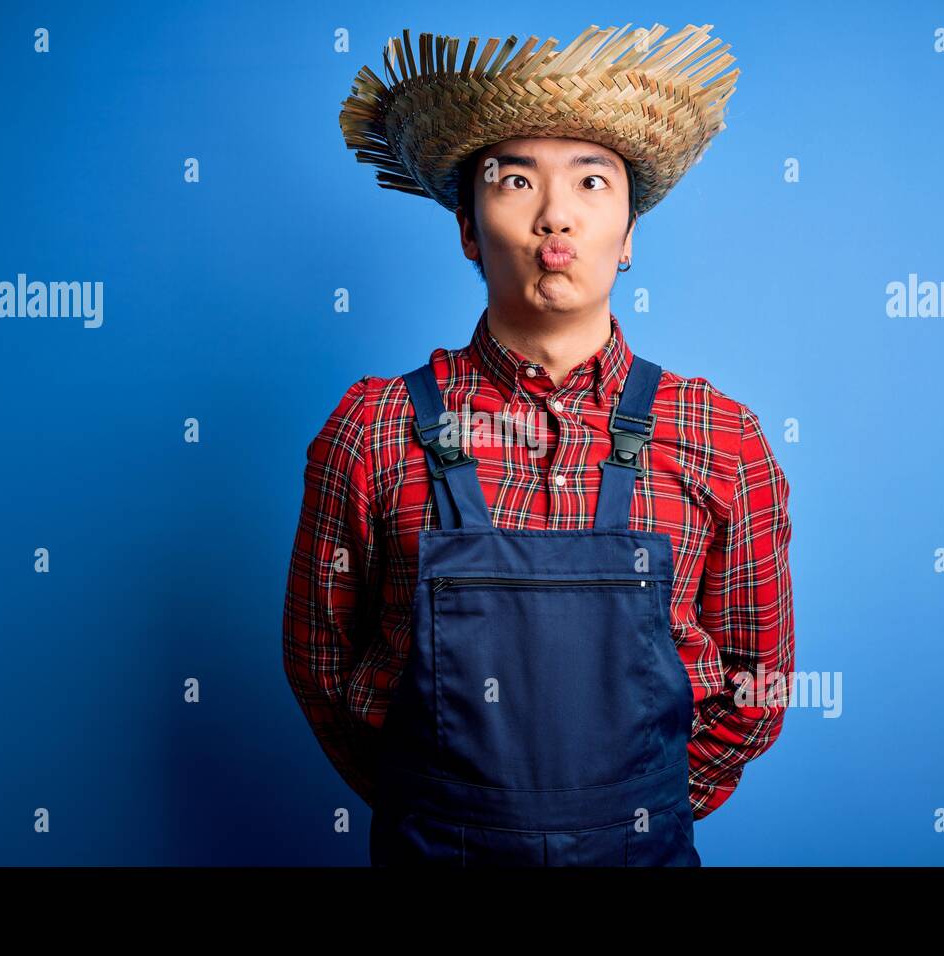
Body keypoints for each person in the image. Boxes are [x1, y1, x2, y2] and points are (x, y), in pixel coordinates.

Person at [284, 22, 794, 866]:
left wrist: (639, 809)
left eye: (592, 182)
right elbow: (319, 668)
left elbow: (758, 686)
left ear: (628, 237)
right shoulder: (371, 432)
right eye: (513, 180)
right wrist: (444, 810)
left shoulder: (722, 440)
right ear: (468, 232)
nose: (555, 213)